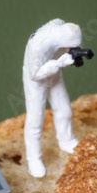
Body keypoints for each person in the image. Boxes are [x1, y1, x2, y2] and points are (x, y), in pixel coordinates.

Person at [22, 18, 83, 178]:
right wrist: (59, 62)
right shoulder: (38, 46)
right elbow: (35, 75)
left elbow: (56, 21)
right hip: (35, 82)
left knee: (64, 109)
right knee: (36, 120)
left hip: (55, 75)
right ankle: (33, 159)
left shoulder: (59, 26)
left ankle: (67, 141)